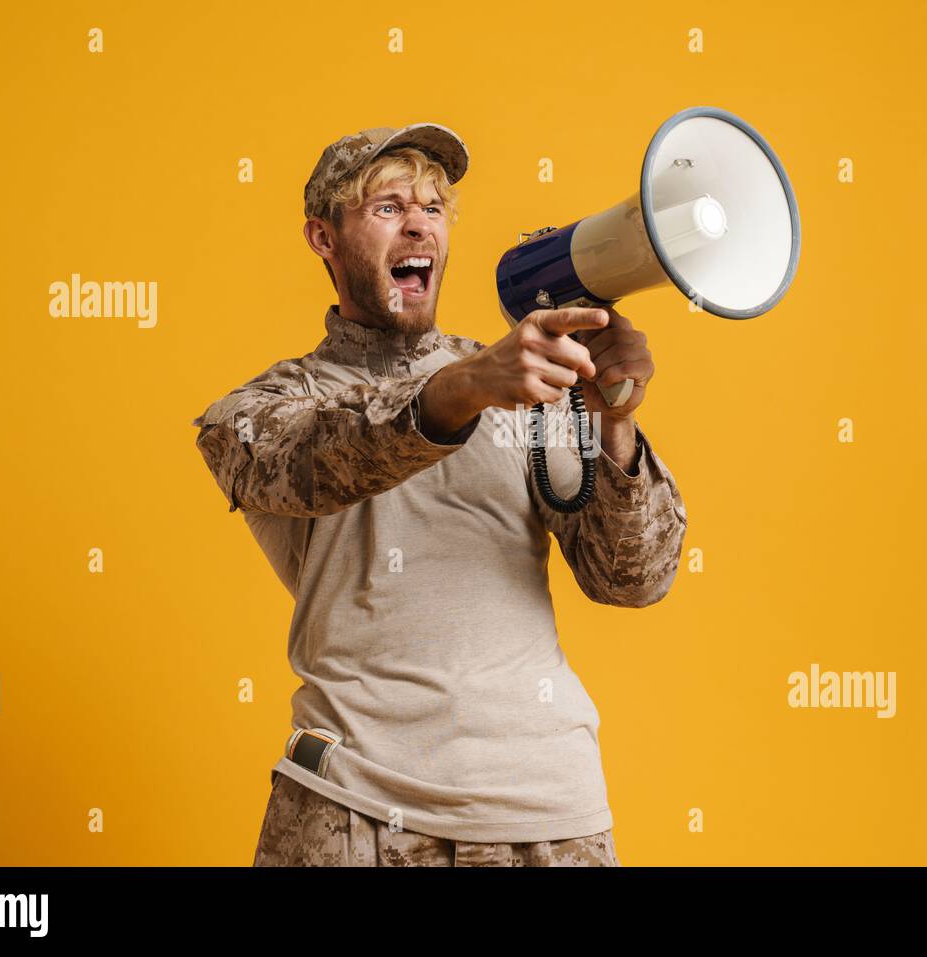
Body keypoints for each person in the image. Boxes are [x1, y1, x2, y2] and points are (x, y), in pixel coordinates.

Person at [190, 123, 688, 866]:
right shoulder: (265, 409)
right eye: (388, 206)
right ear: (323, 238)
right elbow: (319, 457)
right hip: (354, 816)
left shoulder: (522, 387)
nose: (419, 221)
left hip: (549, 817)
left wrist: (612, 418)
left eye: (434, 206)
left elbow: (631, 577)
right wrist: (463, 390)